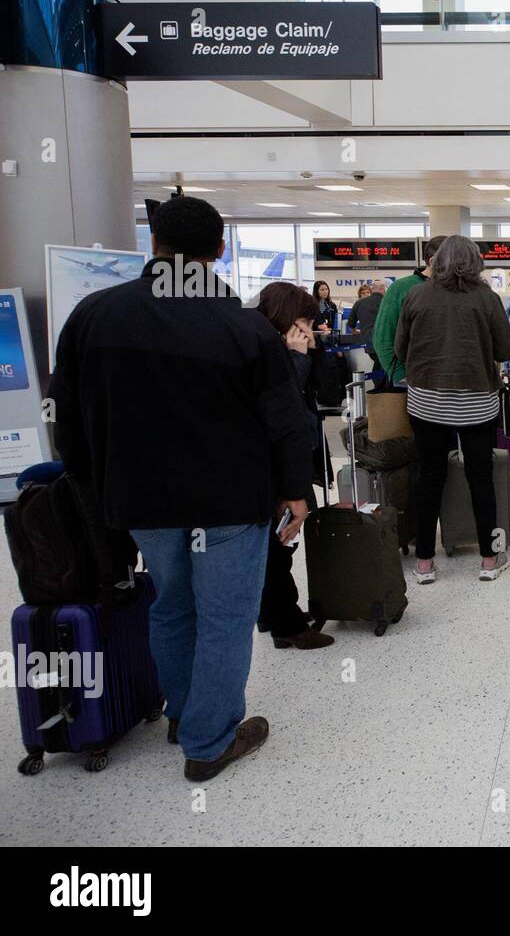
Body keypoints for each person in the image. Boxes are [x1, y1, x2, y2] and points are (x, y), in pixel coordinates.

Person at [49, 195, 314, 781]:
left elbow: (66, 417)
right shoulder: (244, 329)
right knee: (223, 615)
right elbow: (284, 420)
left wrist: (91, 486)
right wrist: (296, 490)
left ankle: (181, 713)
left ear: (155, 245)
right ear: (219, 251)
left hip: (142, 498)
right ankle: (209, 740)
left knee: (171, 605)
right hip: (229, 500)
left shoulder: (95, 316)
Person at [395, 235, 510, 584]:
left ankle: (424, 562)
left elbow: (401, 350)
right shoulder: (487, 298)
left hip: (426, 402)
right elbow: (505, 349)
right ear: (475, 262)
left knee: (429, 477)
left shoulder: (416, 295)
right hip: (477, 402)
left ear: (438, 261)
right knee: (481, 476)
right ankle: (489, 559)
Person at [253, 283, 336, 651]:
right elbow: (283, 406)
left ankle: (276, 615)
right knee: (276, 543)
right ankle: (285, 621)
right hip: (275, 465)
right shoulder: (263, 350)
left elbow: (325, 390)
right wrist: (298, 359)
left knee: (279, 542)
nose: (307, 328)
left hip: (292, 458)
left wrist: (314, 354)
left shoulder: (288, 347)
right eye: (303, 320)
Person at [373, 235, 446, 387]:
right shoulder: (401, 288)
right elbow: (383, 337)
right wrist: (401, 376)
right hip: (412, 380)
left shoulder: (455, 289)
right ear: (432, 261)